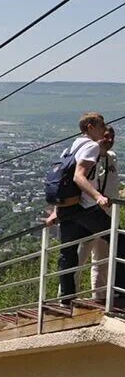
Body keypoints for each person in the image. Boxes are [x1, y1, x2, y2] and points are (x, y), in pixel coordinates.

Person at [47, 113, 125, 305]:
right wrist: (98, 197)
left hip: (68, 208)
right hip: (86, 208)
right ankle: (121, 293)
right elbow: (78, 176)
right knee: (120, 242)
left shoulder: (72, 146)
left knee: (68, 253)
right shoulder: (91, 146)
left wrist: (57, 210)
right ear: (90, 127)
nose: (103, 129)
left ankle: (66, 299)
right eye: (101, 126)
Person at [76, 126, 119, 300]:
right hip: (90, 214)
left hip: (108, 216)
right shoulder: (88, 157)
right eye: (105, 137)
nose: (109, 140)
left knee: (103, 262)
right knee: (78, 260)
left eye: (112, 137)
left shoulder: (112, 158)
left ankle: (100, 298)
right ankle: (68, 298)